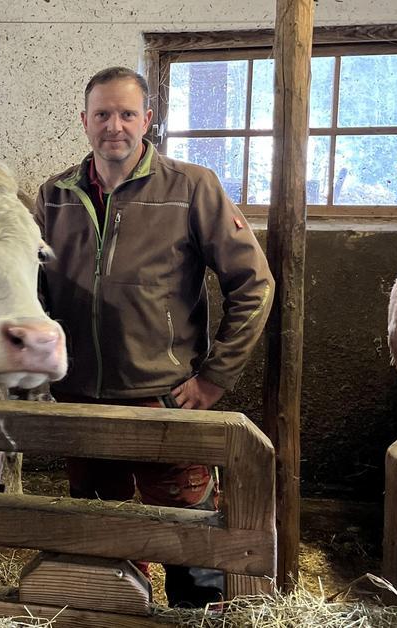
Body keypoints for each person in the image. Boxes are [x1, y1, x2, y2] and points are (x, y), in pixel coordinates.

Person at [34, 66, 274, 607]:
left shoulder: (192, 188)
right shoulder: (54, 195)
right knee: (103, 543)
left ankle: (199, 618)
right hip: (80, 405)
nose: (113, 126)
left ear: (147, 120)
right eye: (102, 114)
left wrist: (215, 378)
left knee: (189, 540)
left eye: (125, 113)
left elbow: (254, 283)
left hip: (163, 401)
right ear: (84, 121)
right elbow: (34, 292)